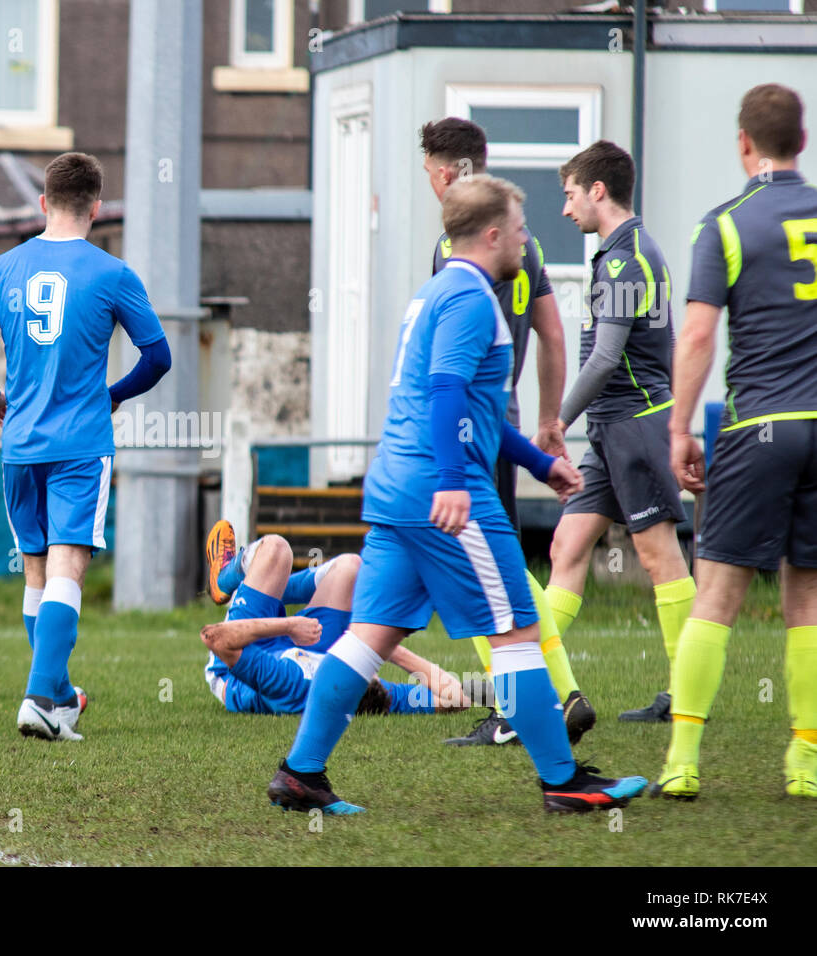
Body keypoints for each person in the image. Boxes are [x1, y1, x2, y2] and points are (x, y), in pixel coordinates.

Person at [263, 176, 646, 815]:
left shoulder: (438, 292)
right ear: (493, 234)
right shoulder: (471, 300)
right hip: (443, 494)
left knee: (368, 637)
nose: (528, 238)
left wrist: (537, 462)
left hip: (396, 490)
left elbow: (474, 408)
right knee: (518, 633)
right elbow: (445, 391)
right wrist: (449, 481)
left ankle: (301, 773)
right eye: (521, 227)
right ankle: (564, 782)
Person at [0, 151, 172, 741]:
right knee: (69, 566)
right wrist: (113, 395)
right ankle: (40, 697)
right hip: (80, 443)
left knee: (37, 574)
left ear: (42, 203)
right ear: (97, 208)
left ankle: (60, 695)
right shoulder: (112, 273)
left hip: (20, 444)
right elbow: (159, 358)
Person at [654, 84, 817, 800]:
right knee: (808, 597)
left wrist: (679, 426)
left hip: (759, 427)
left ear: (743, 143)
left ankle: (683, 761)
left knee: (716, 591)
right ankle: (804, 763)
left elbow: (696, 334)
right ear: (803, 143)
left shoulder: (724, 224)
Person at [419, 118, 593, 746]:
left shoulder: (458, 250)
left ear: (446, 174)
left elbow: (445, 375)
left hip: (470, 431)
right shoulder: (530, 243)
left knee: (475, 576)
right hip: (507, 419)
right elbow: (553, 333)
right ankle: (562, 693)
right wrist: (549, 420)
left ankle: (525, 707)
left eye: (430, 176)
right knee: (507, 569)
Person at [547, 140, 695, 724]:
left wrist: (558, 421)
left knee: (658, 556)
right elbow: (670, 343)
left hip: (632, 423)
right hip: (615, 427)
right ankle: (531, 677)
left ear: (598, 191)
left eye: (570, 194)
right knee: (566, 546)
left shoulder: (625, 257)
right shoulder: (628, 250)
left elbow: (607, 357)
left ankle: (687, 692)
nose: (566, 209)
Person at [202, 524, 479, 716]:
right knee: (350, 567)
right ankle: (262, 584)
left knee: (276, 549)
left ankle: (228, 577)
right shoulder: (374, 694)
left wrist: (287, 625)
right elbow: (458, 698)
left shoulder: (292, 683)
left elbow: (216, 639)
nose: (372, 666)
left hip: (238, 660)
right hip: (311, 647)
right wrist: (389, 650)